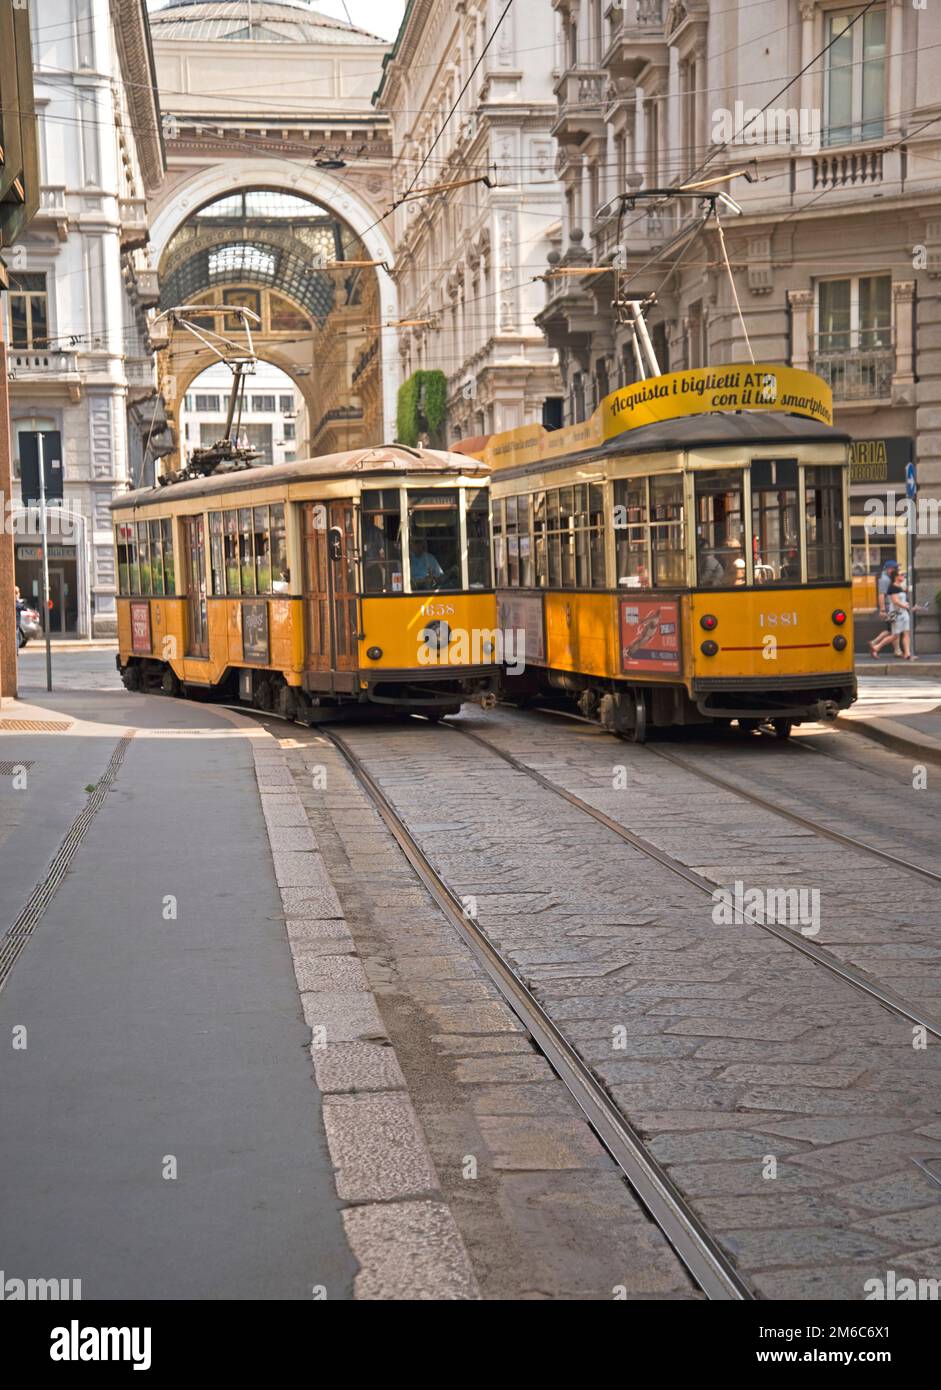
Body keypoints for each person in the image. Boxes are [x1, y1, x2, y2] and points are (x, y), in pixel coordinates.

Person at [871, 567, 916, 660]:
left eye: (904, 575)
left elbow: (902, 601)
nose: (903, 576)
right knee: (894, 636)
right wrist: (908, 607)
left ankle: (907, 654)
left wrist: (910, 606)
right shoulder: (892, 587)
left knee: (906, 633)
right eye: (901, 575)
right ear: (896, 577)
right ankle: (876, 647)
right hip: (896, 614)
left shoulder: (900, 587)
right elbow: (896, 601)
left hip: (903, 613)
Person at [876, 559, 902, 657]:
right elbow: (881, 595)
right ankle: (897, 650)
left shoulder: (888, 577)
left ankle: (874, 643)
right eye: (895, 568)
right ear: (889, 569)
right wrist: (882, 610)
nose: (897, 570)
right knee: (894, 630)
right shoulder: (885, 579)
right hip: (889, 607)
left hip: (892, 606)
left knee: (891, 630)